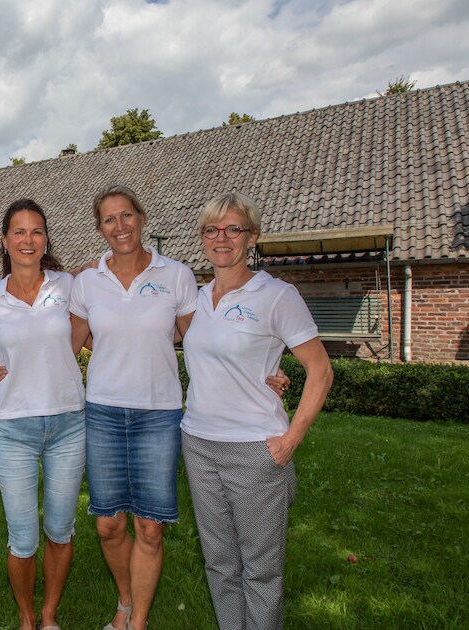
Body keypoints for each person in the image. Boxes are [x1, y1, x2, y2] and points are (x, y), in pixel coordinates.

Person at [181, 192, 333, 630]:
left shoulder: (276, 295)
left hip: (254, 448)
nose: (221, 238)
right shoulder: (197, 297)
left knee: (261, 571)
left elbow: (320, 371)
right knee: (219, 563)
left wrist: (291, 439)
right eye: (212, 230)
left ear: (253, 236)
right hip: (198, 442)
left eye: (233, 229)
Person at [69, 184, 198, 630]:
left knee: (149, 527)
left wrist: (261, 371)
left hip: (159, 414)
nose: (119, 226)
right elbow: (64, 344)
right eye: (109, 219)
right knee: (108, 525)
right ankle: (124, 601)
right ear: (100, 228)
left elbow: (203, 342)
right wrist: (10, 365)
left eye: (127, 216)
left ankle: (136, 622)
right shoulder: (87, 282)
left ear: (142, 219)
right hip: (102, 412)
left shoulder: (177, 276)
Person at [0, 199, 85, 630]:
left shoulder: (69, 286)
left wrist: (54, 358)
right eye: (18, 232)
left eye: (36, 232)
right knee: (22, 539)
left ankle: (49, 614)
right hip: (14, 429)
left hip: (68, 425)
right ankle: (25, 619)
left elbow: (92, 332)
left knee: (60, 530)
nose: (27, 239)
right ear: (5, 241)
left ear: (45, 240)